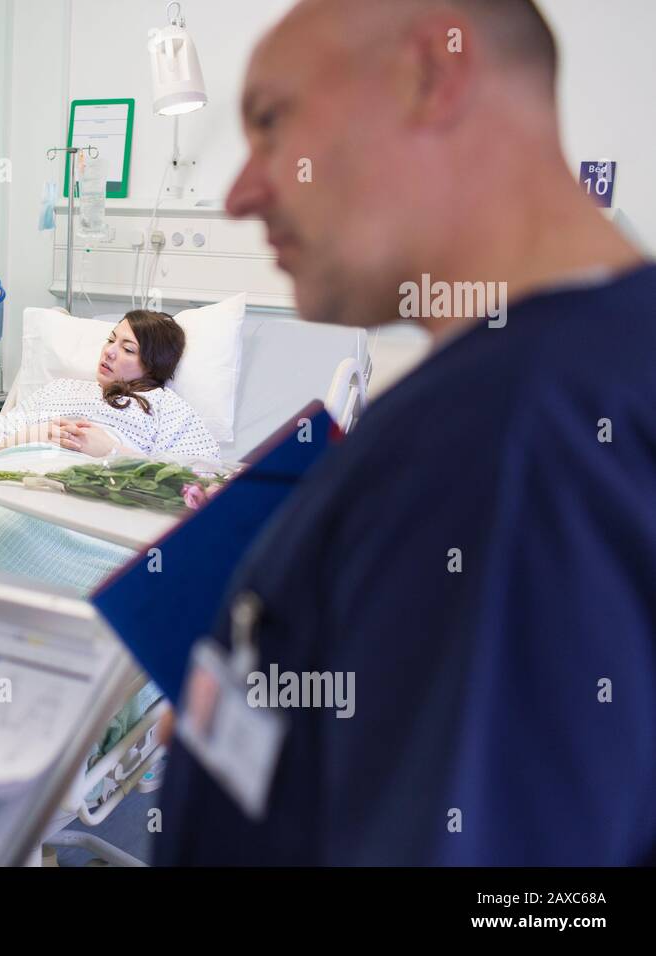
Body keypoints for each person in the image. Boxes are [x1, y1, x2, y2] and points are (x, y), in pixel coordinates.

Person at [157, 0, 656, 865]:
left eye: (272, 124)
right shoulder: (604, 362)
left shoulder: (503, 438)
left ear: (432, 76)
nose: (239, 193)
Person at [0, 310, 220, 461]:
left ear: (153, 364)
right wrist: (37, 434)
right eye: (111, 340)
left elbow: (196, 480)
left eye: (127, 349)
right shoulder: (60, 389)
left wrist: (112, 451)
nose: (109, 352)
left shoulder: (165, 406)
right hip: (17, 475)